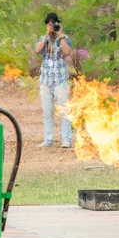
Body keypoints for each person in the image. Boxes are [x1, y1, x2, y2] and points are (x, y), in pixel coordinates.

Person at [34, 12, 73, 148]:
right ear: (46, 25)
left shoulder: (64, 39)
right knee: (47, 111)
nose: (52, 26)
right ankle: (48, 139)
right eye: (49, 23)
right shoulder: (42, 39)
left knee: (65, 110)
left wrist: (60, 36)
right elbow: (37, 50)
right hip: (46, 80)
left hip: (60, 80)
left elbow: (67, 52)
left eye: (54, 23)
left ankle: (66, 139)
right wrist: (46, 35)